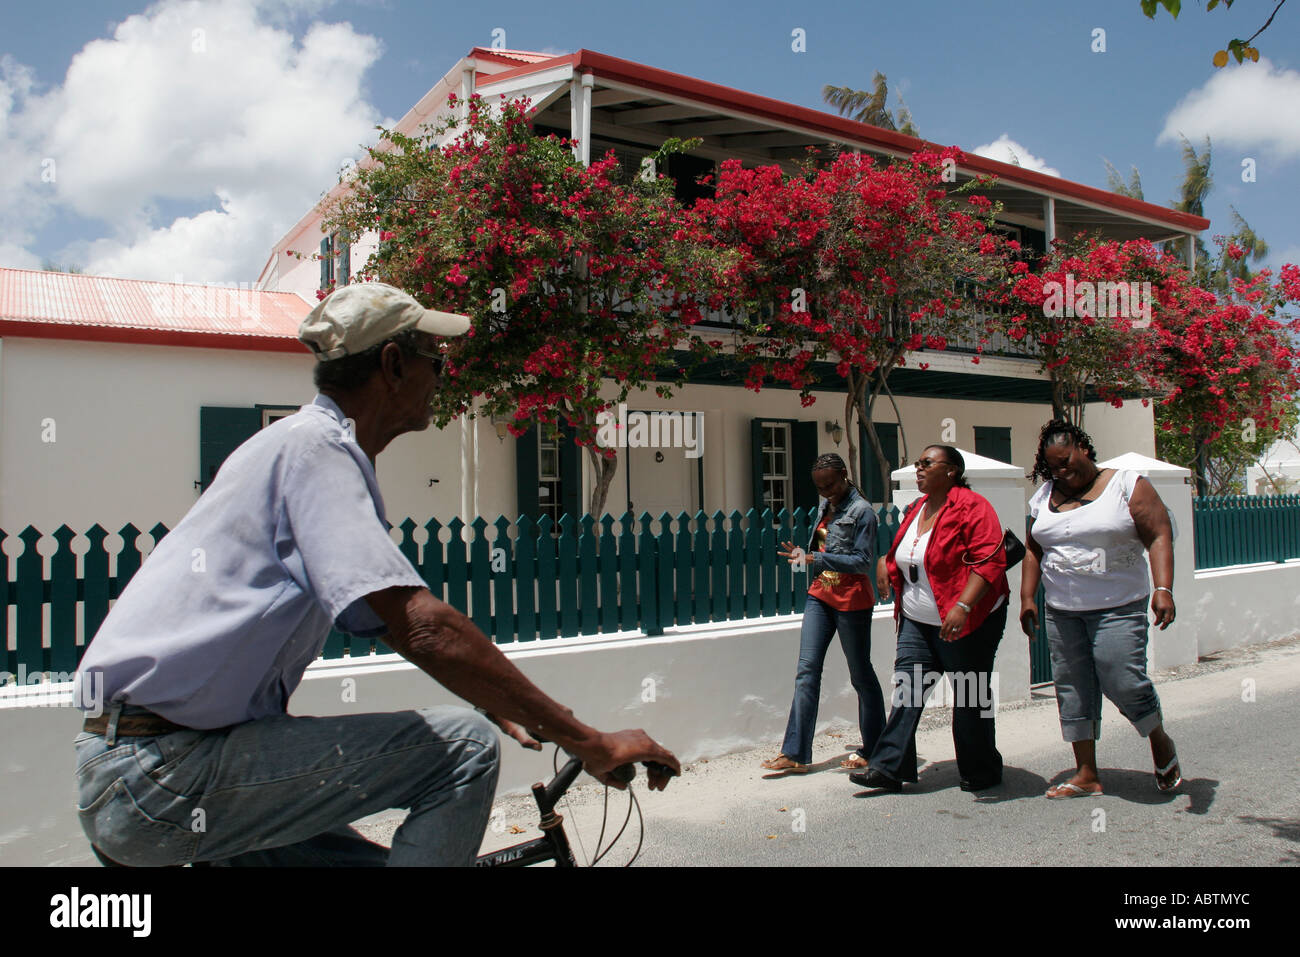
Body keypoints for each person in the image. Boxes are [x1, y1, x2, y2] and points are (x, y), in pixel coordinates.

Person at [72, 282, 679, 867]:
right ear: (393, 365)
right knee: (462, 750)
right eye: (433, 361)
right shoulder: (317, 451)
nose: (442, 376)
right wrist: (586, 740)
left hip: (161, 764)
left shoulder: (297, 446)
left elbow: (380, 616)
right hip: (164, 772)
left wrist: (493, 694)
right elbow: (419, 627)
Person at [1020, 420, 1180, 798]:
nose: (1062, 471)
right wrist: (1029, 597)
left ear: (1083, 448)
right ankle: (1086, 773)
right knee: (1072, 687)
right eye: (1053, 466)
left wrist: (1163, 589)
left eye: (1066, 460)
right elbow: (1033, 548)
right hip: (1063, 610)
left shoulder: (1127, 484)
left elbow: (1158, 534)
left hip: (1119, 606)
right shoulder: (1044, 496)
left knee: (1122, 679)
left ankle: (1158, 737)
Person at [850, 445, 1009, 793]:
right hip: (917, 620)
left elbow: (990, 561)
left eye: (927, 463)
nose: (919, 469)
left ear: (951, 470)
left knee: (969, 696)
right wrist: (883, 564)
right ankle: (890, 768)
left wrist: (963, 606)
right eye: (917, 464)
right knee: (907, 691)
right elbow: (907, 554)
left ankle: (981, 769)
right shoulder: (917, 508)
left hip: (967, 620)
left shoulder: (973, 507)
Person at [761, 453, 885, 774]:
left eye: (830, 484)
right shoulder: (824, 506)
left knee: (861, 675)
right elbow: (824, 549)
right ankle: (795, 754)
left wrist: (815, 557)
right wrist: (810, 558)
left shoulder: (863, 513)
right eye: (820, 487)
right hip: (820, 595)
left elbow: (861, 562)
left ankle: (875, 749)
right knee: (806, 672)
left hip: (852, 602)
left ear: (844, 475)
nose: (826, 491)